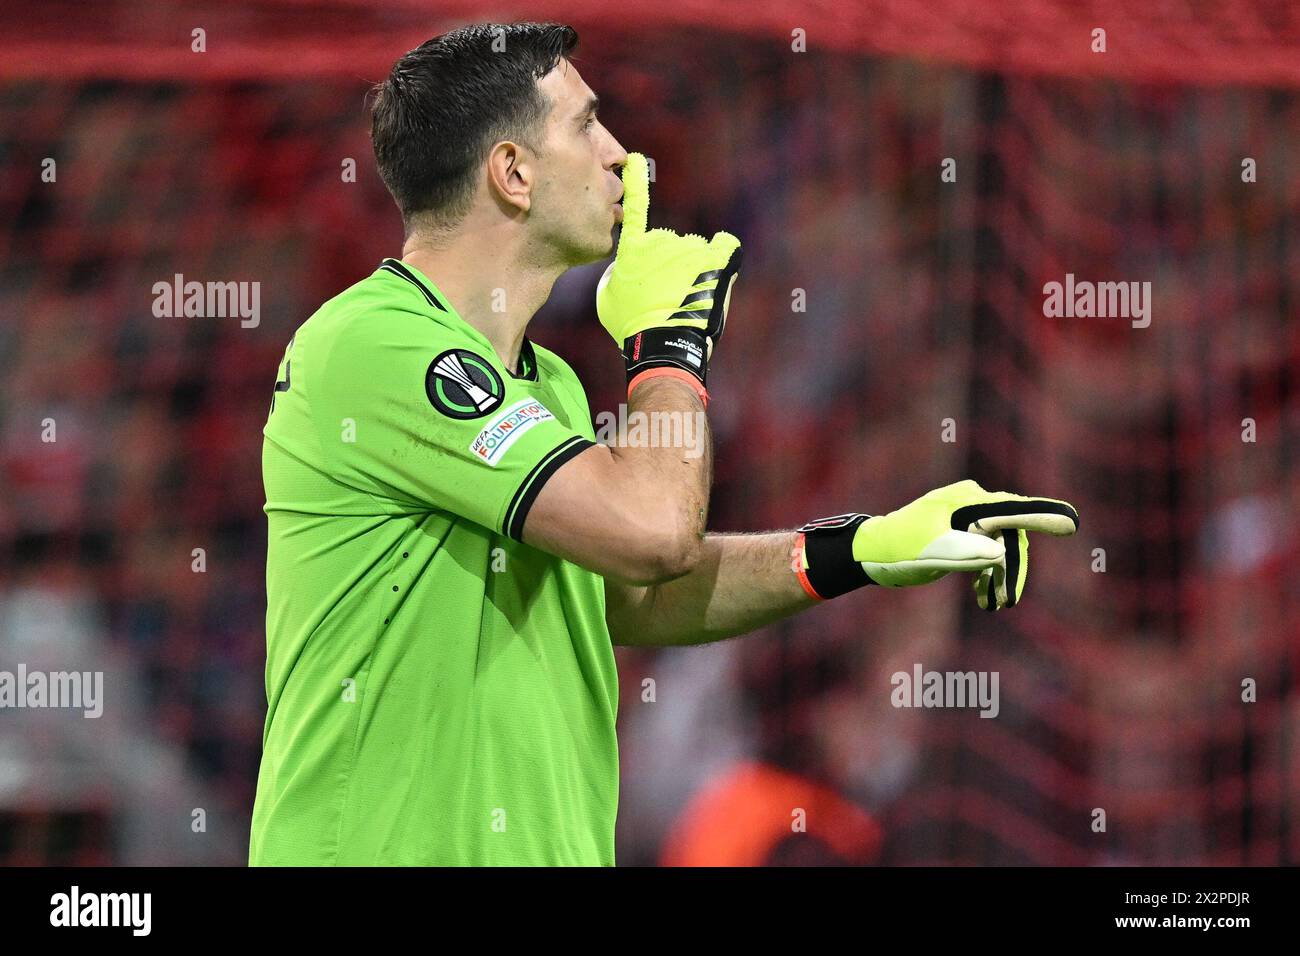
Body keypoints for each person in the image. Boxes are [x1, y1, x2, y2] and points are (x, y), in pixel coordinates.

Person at [249, 21, 1079, 866]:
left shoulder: (553, 389)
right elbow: (652, 536)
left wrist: (861, 548)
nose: (621, 155)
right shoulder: (372, 343)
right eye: (585, 125)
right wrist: (668, 346)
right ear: (511, 173)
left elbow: (635, 596)